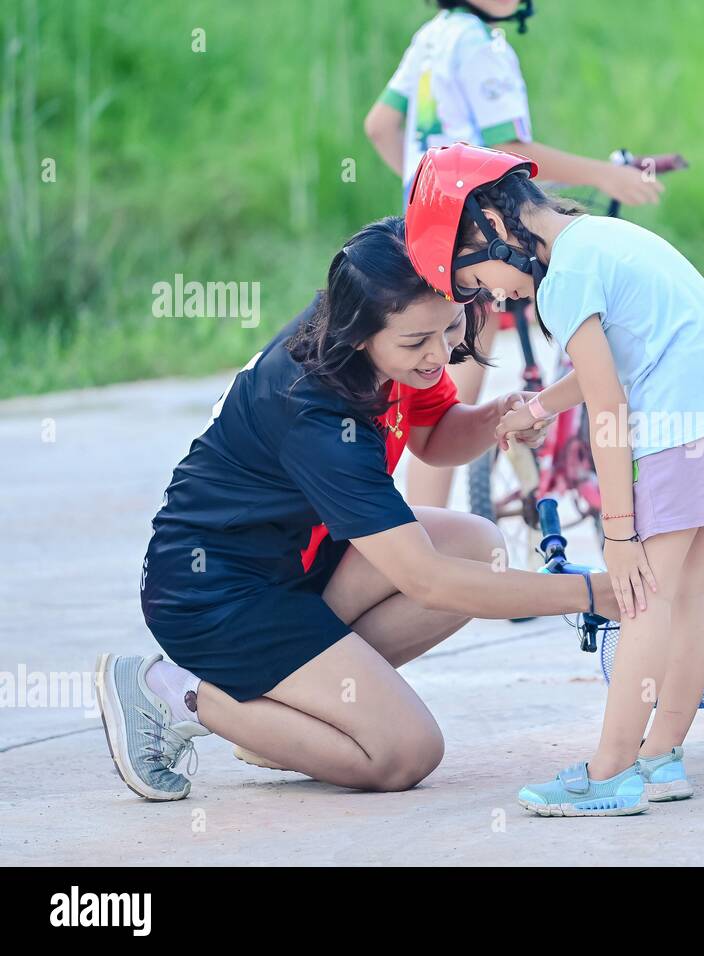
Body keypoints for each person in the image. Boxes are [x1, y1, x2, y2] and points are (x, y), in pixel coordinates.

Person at [95, 215, 619, 801]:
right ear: (358, 333)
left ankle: (290, 716)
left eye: (449, 329)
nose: (438, 355)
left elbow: (435, 433)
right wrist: (594, 594)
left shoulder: (382, 336)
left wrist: (500, 416)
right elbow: (427, 580)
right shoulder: (317, 410)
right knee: (404, 754)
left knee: (478, 547)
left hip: (298, 561)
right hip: (217, 594)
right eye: (416, 342)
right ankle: (176, 688)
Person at [405, 143, 704, 816]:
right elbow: (610, 364)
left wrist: (618, 535)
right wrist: (538, 407)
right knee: (689, 588)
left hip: (686, 419)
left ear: (496, 228)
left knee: (642, 592)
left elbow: (610, 406)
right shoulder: (600, 239)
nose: (493, 296)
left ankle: (611, 770)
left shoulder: (561, 282)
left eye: (479, 279)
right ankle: (661, 759)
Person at [364, 0, 665, 510]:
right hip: (478, 246)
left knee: (429, 390)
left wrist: (429, 204)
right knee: (446, 399)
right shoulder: (484, 45)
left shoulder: (432, 36)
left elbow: (379, 125)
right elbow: (511, 146)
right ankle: (430, 538)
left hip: (433, 243)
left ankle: (422, 528)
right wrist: (607, 175)